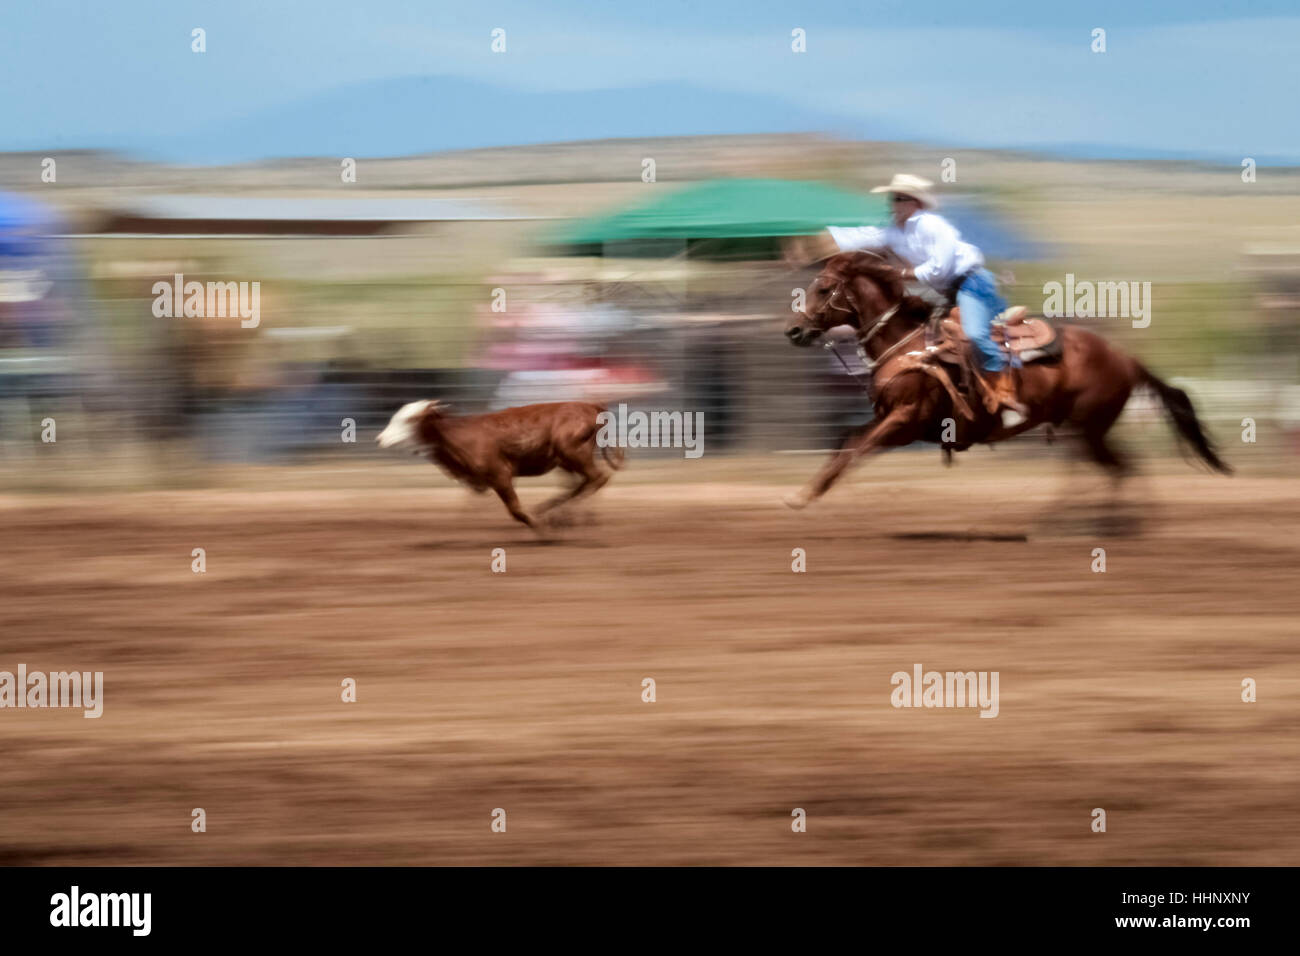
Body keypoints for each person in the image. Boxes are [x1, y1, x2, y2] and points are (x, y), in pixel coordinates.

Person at [819, 173, 1025, 427]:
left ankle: (1006, 396)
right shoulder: (896, 231)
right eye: (892, 198)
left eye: (898, 198)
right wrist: (829, 238)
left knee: (974, 334)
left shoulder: (934, 226)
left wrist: (903, 273)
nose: (892, 203)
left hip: (973, 284)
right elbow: (869, 235)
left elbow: (939, 267)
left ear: (914, 202)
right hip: (949, 290)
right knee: (932, 339)